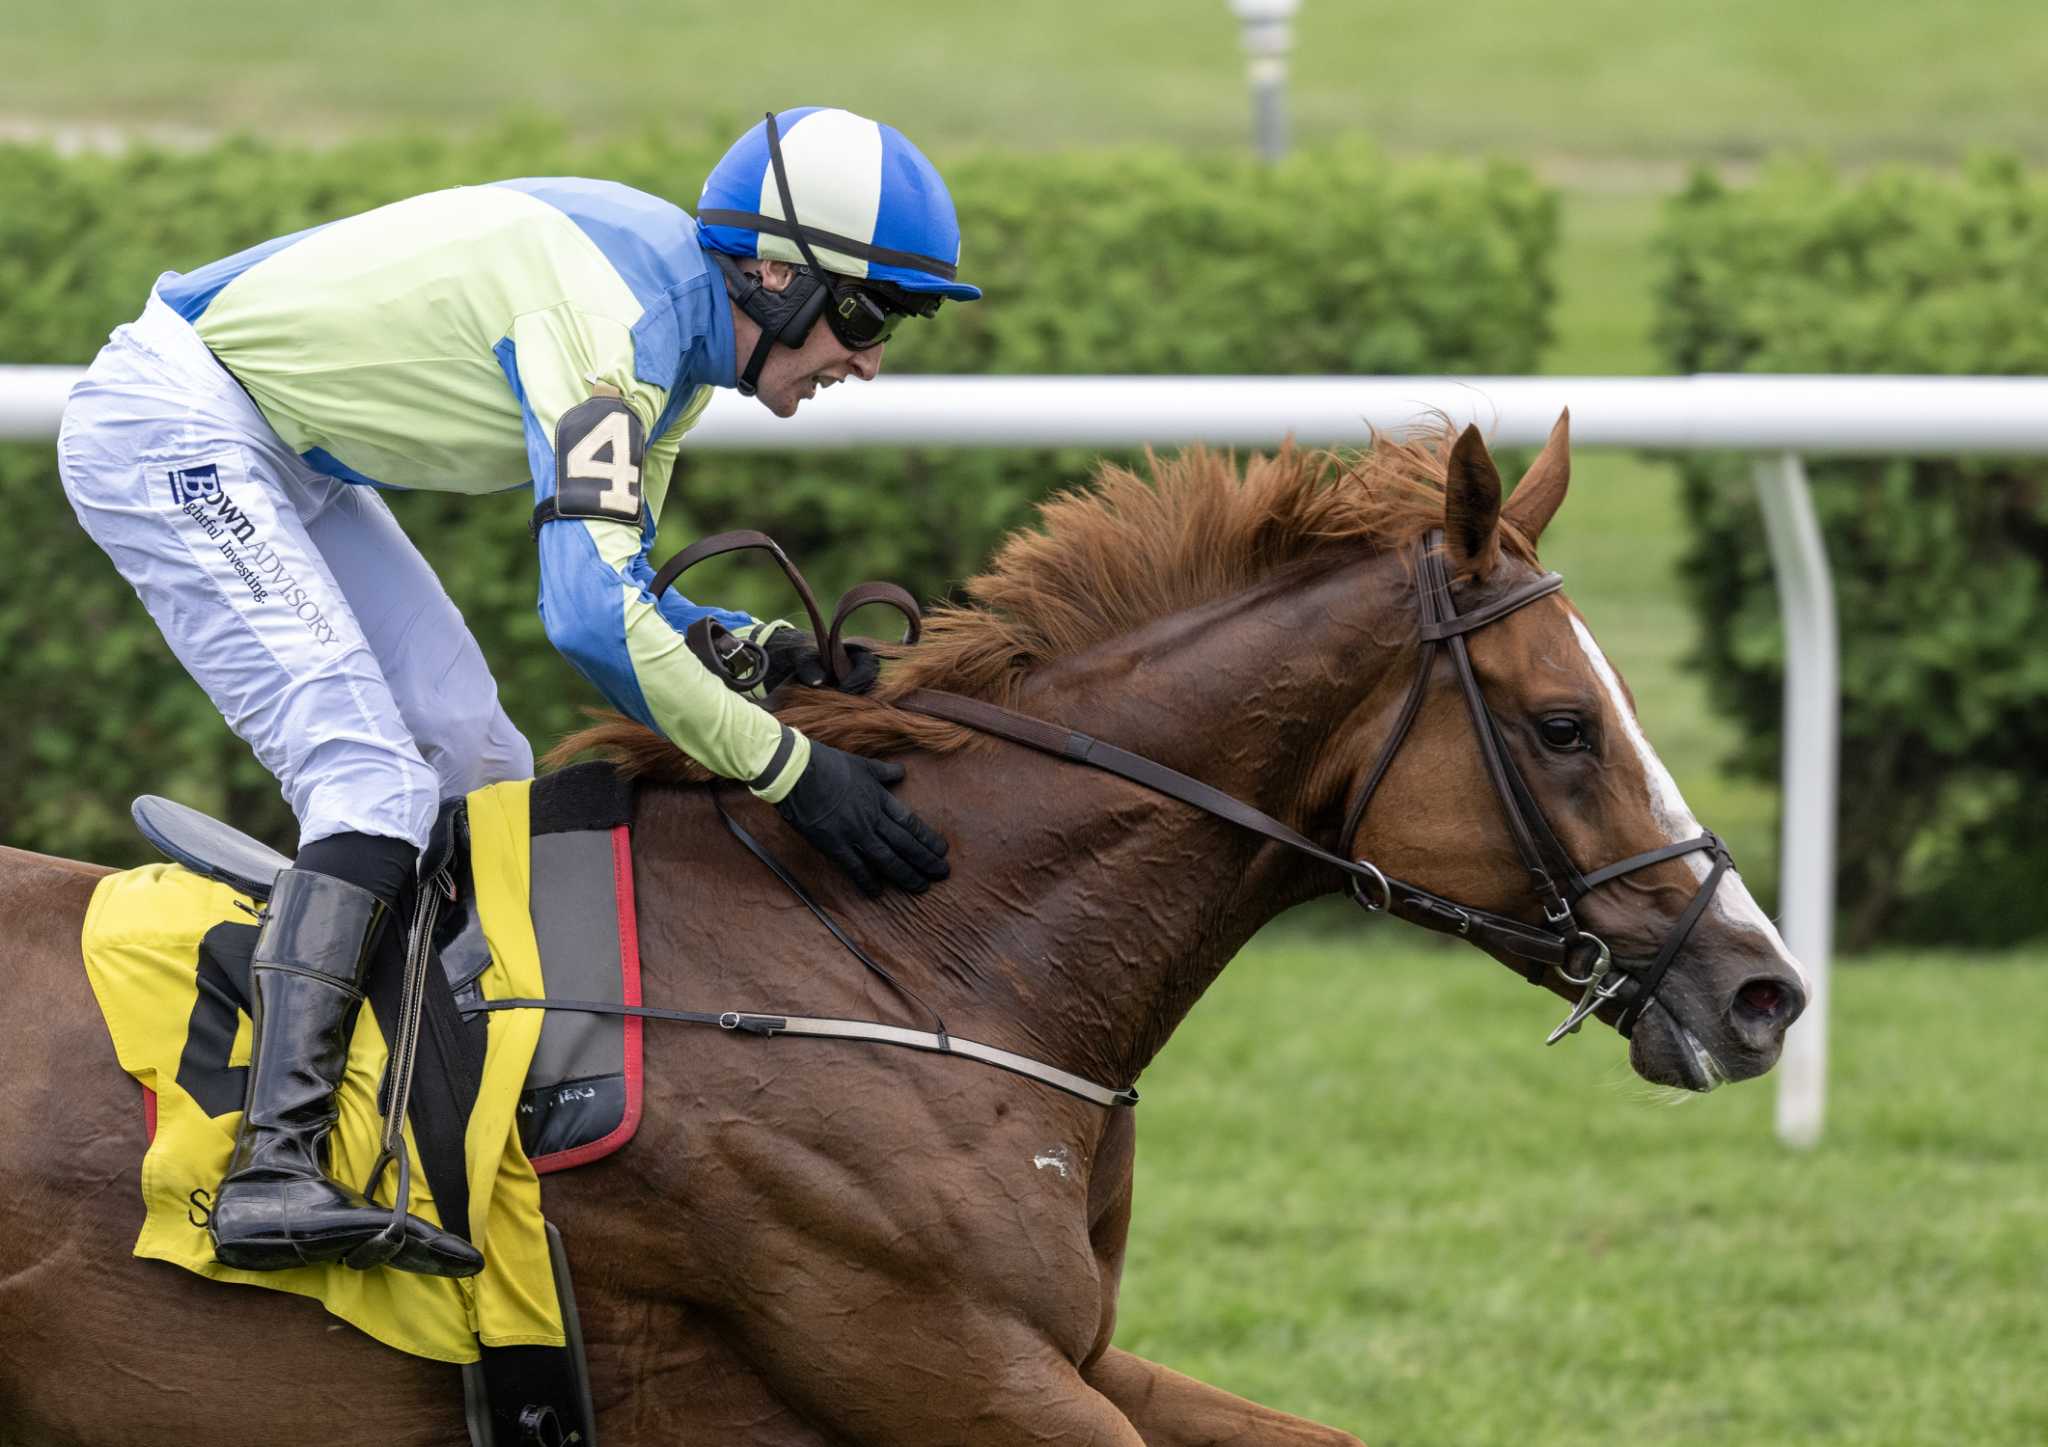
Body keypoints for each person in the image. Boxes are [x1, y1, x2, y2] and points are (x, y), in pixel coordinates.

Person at [56, 107, 970, 1278]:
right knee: (371, 782)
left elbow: (625, 585)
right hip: (175, 427)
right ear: (777, 274)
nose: (870, 359)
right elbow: (587, 619)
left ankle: (418, 1092)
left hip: (282, 453)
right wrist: (788, 771)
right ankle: (271, 1167)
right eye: (865, 315)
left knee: (476, 758)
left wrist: (756, 647)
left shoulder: (677, 350)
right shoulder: (612, 333)